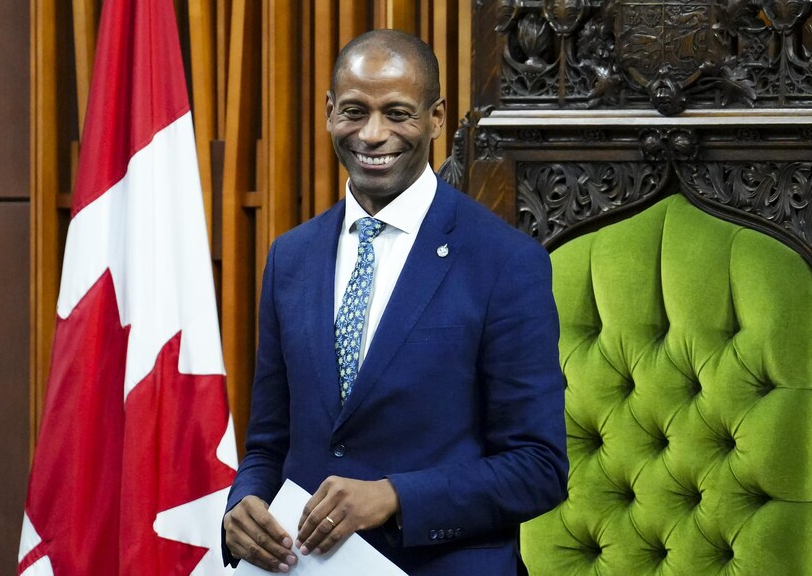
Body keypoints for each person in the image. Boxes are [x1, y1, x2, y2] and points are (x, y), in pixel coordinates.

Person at [222, 29, 566, 575]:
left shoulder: (505, 262)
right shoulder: (290, 258)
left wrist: (395, 497)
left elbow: (539, 467)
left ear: (435, 119)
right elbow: (269, 443)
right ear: (330, 113)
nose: (373, 134)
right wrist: (242, 504)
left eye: (397, 113)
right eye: (354, 111)